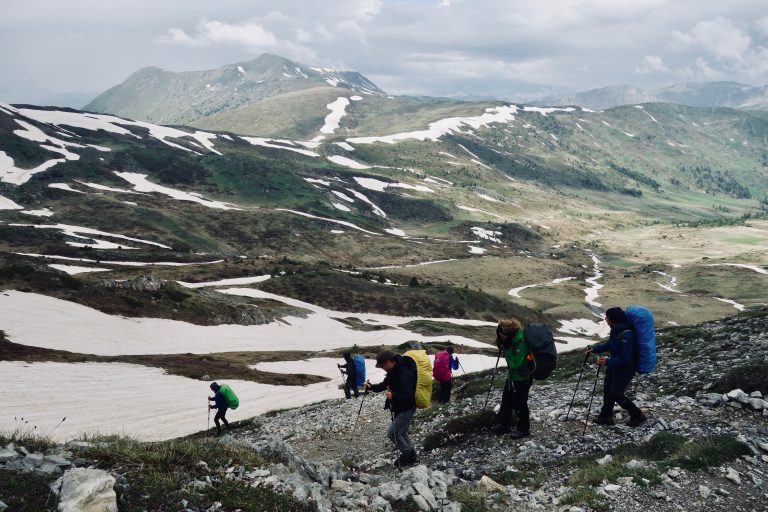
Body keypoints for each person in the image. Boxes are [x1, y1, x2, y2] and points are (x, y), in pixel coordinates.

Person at [587, 307, 648, 427]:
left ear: (612, 320)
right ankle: (606, 416)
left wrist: (607, 361)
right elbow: (610, 345)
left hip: (625, 370)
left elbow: (626, 359)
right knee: (607, 390)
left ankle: (637, 415)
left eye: (607, 317)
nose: (605, 318)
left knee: (616, 393)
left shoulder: (626, 335)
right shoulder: (616, 330)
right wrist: (594, 349)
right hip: (614, 368)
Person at [364, 350, 418, 467]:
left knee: (392, 434)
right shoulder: (393, 371)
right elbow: (383, 385)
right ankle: (412, 455)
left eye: (382, 366)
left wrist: (394, 396)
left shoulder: (404, 372)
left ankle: (407, 454)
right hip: (400, 408)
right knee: (401, 432)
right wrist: (371, 387)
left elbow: (409, 395)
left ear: (388, 362)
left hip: (407, 408)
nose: (382, 368)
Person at [491, 319, 533, 439]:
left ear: (510, 333)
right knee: (506, 400)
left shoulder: (521, 342)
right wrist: (501, 343)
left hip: (522, 378)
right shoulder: (511, 341)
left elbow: (515, 363)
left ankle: (524, 428)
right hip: (512, 376)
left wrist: (506, 349)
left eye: (503, 335)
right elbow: (501, 344)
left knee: (520, 403)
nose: (501, 337)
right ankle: (504, 424)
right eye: (499, 334)